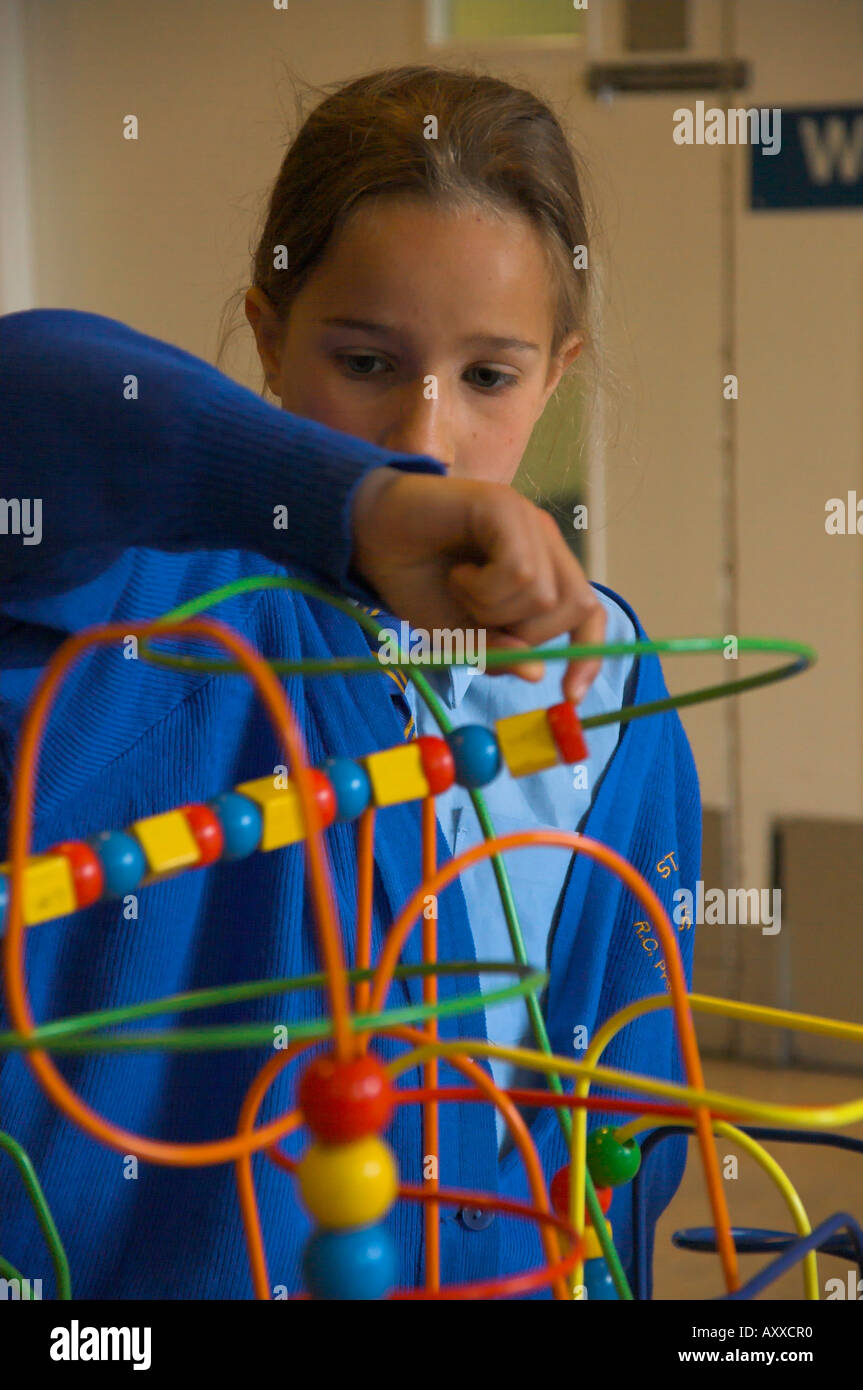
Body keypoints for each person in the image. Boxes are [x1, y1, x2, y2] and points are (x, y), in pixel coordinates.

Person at [0, 65, 699, 1300]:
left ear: (555, 374)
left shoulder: (614, 705)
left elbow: (611, 1148)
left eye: (488, 376)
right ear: (266, 338)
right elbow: (29, 384)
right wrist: (345, 502)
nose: (425, 437)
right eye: (366, 361)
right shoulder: (151, 608)